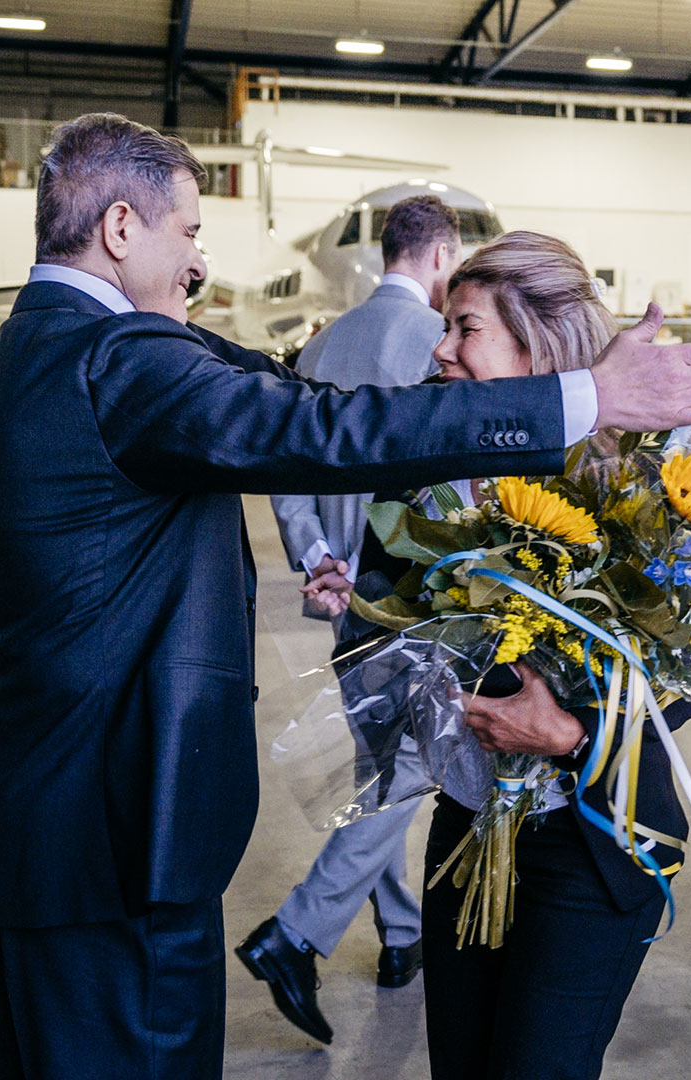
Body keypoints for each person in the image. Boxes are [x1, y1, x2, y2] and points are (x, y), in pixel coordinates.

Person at [0, 113, 691, 1080]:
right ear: (120, 228)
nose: (198, 263)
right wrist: (587, 399)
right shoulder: (117, 361)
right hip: (114, 836)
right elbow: (309, 429)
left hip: (32, 820)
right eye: (190, 231)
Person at [306, 230, 691, 1080]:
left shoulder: (636, 479)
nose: (441, 349)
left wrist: (570, 734)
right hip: (467, 827)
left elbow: (686, 673)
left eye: (467, 329)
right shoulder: (424, 469)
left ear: (537, 349)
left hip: (594, 840)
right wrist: (367, 613)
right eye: (444, 327)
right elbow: (378, 635)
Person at [237, 194, 467, 1043]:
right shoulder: (442, 344)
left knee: (381, 772)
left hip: (345, 598)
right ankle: (297, 933)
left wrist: (314, 557)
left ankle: (402, 934)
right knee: (409, 773)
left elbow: (286, 470)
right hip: (415, 599)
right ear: (439, 256)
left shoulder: (323, 345)